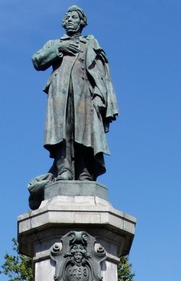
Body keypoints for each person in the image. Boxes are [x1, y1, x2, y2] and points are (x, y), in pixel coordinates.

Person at [28, 6, 118, 208]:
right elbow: (37, 61)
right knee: (62, 132)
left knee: (85, 133)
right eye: (66, 17)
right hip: (59, 93)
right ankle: (64, 171)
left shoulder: (90, 44)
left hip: (84, 94)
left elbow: (101, 73)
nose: (70, 20)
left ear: (82, 22)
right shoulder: (55, 44)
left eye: (74, 17)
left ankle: (85, 172)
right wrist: (59, 50)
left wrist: (99, 96)